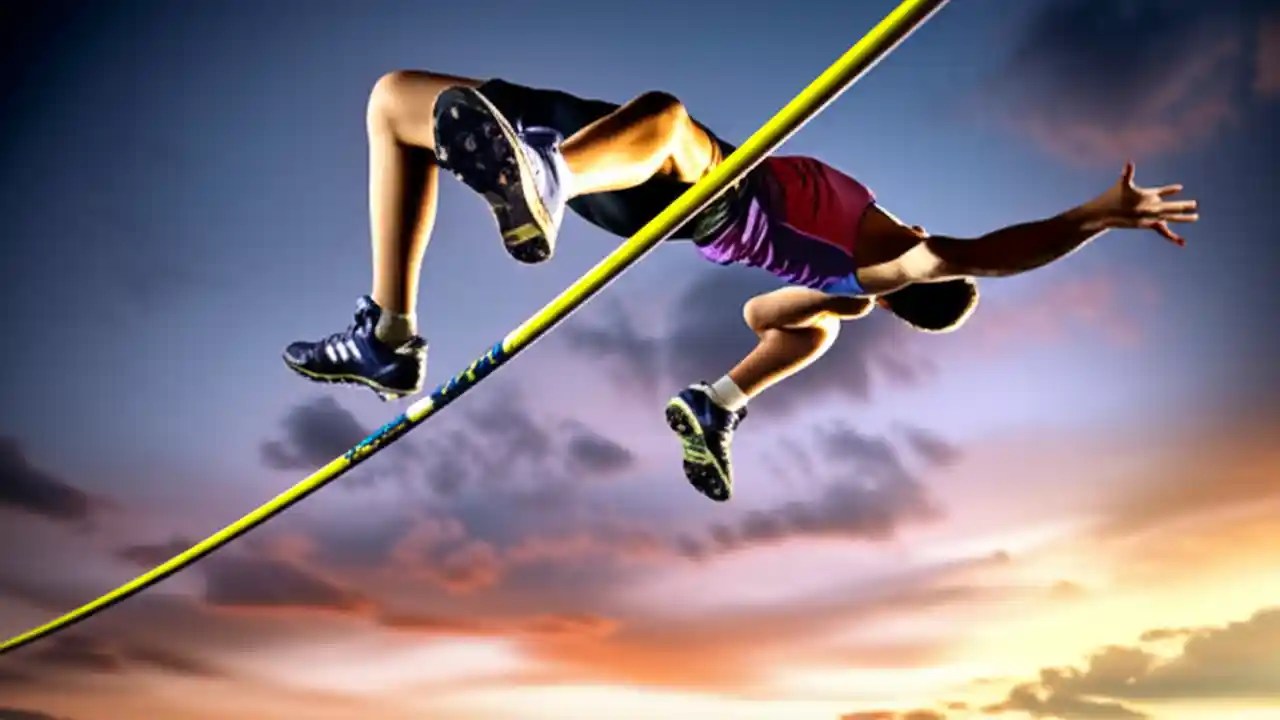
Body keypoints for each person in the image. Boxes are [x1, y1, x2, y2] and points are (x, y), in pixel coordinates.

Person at [283, 71, 1199, 502]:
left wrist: (1091, 216)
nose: (927, 231)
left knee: (673, 118)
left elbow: (997, 250)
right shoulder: (844, 296)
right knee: (396, 103)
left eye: (934, 245)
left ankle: (546, 181)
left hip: (691, 186)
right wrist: (728, 391)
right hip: (633, 170)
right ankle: (387, 331)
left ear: (926, 263)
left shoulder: (893, 265)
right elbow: (766, 313)